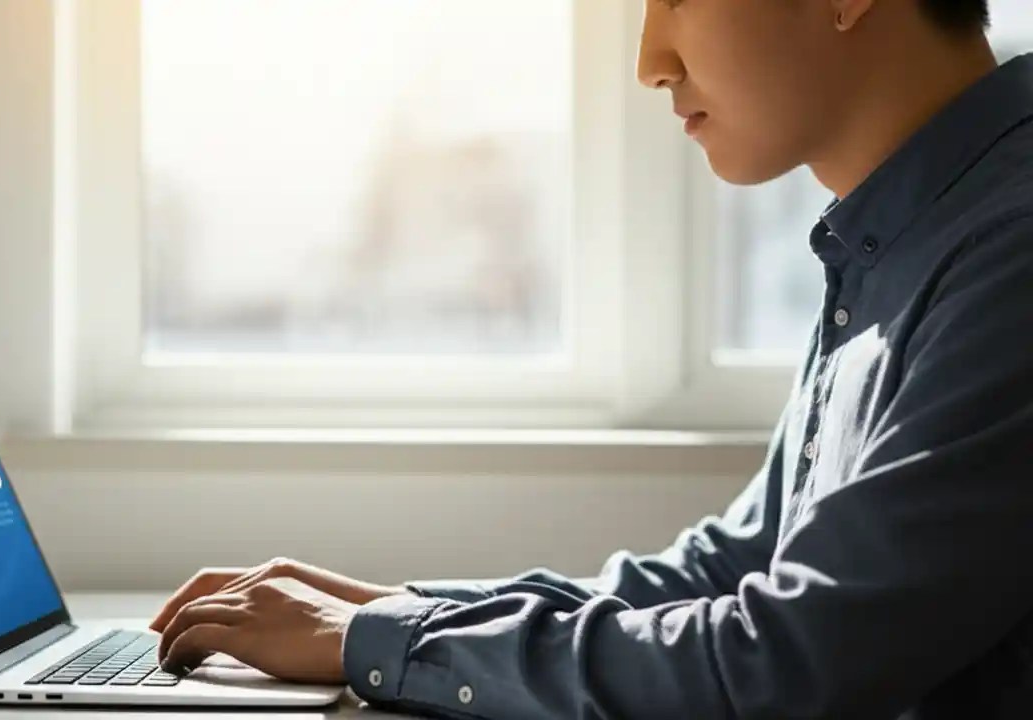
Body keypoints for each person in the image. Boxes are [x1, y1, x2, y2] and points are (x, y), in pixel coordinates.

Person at [149, 0, 1033, 717]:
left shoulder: (1010, 249)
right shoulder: (900, 239)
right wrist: (389, 611)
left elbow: (792, 660)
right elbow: (732, 572)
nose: (650, 58)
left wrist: (380, 643)